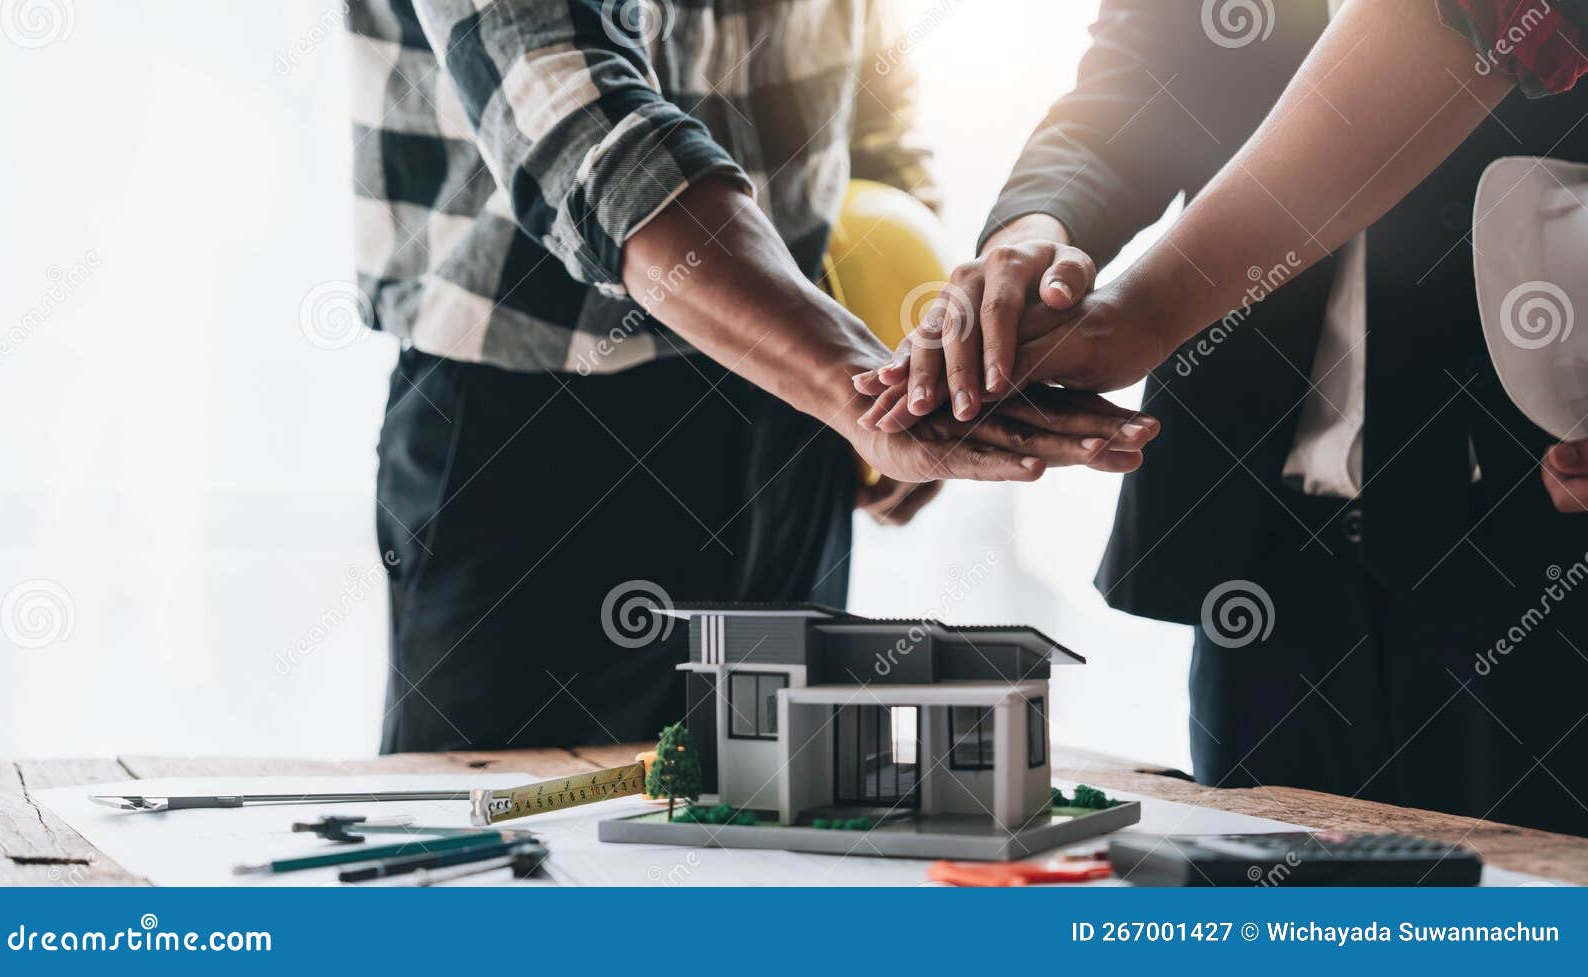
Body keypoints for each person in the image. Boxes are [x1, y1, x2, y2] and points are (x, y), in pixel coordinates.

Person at [348, 1, 1159, 753]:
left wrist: (918, 357)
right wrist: (863, 384)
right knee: (492, 828)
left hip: (794, 404)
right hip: (524, 421)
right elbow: (595, 144)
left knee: (781, 811)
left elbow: (870, 104)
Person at [867, 0, 1588, 834]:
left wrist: (1140, 314)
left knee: (1533, 897)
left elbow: (1453, 24)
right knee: (1256, 892)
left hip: (1536, 534)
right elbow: (1136, 77)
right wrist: (1033, 232)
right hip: (1261, 548)